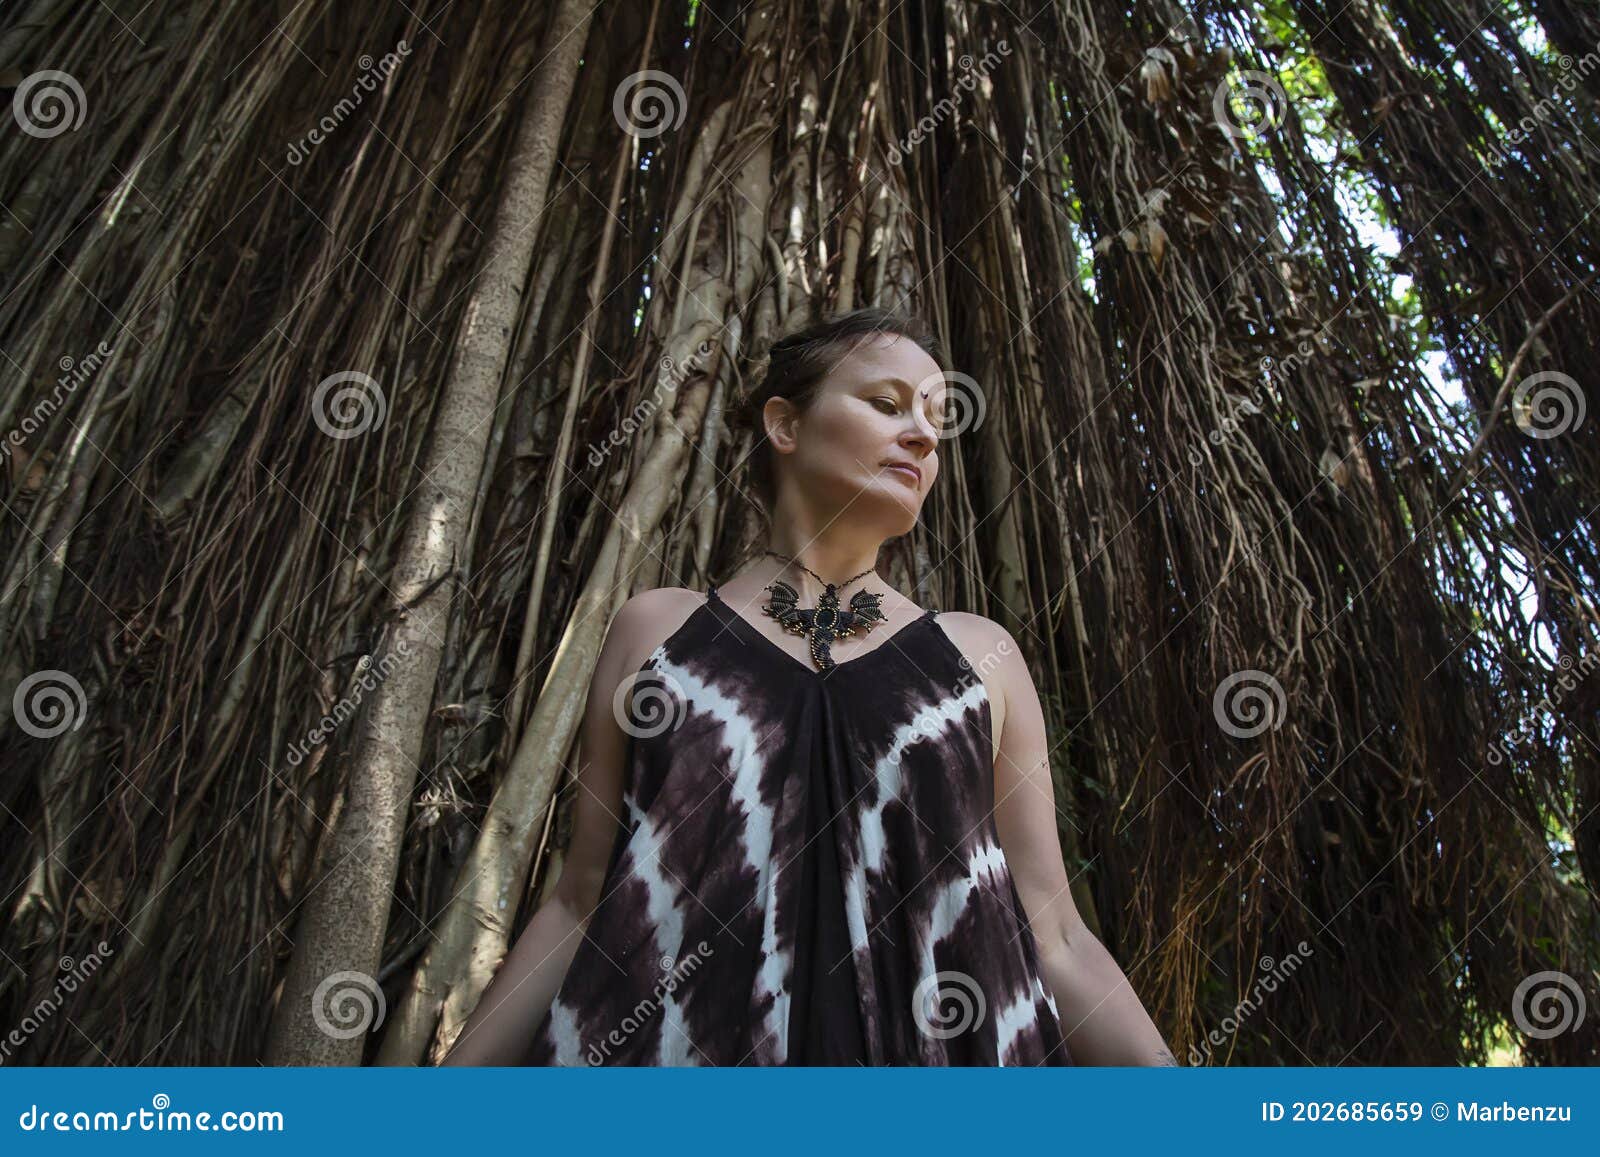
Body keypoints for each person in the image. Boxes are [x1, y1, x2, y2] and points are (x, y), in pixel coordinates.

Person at [442, 308, 1175, 1066]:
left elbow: (1055, 934)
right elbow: (580, 902)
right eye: (887, 404)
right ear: (785, 425)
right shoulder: (656, 632)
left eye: (935, 421)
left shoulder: (981, 656)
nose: (924, 438)